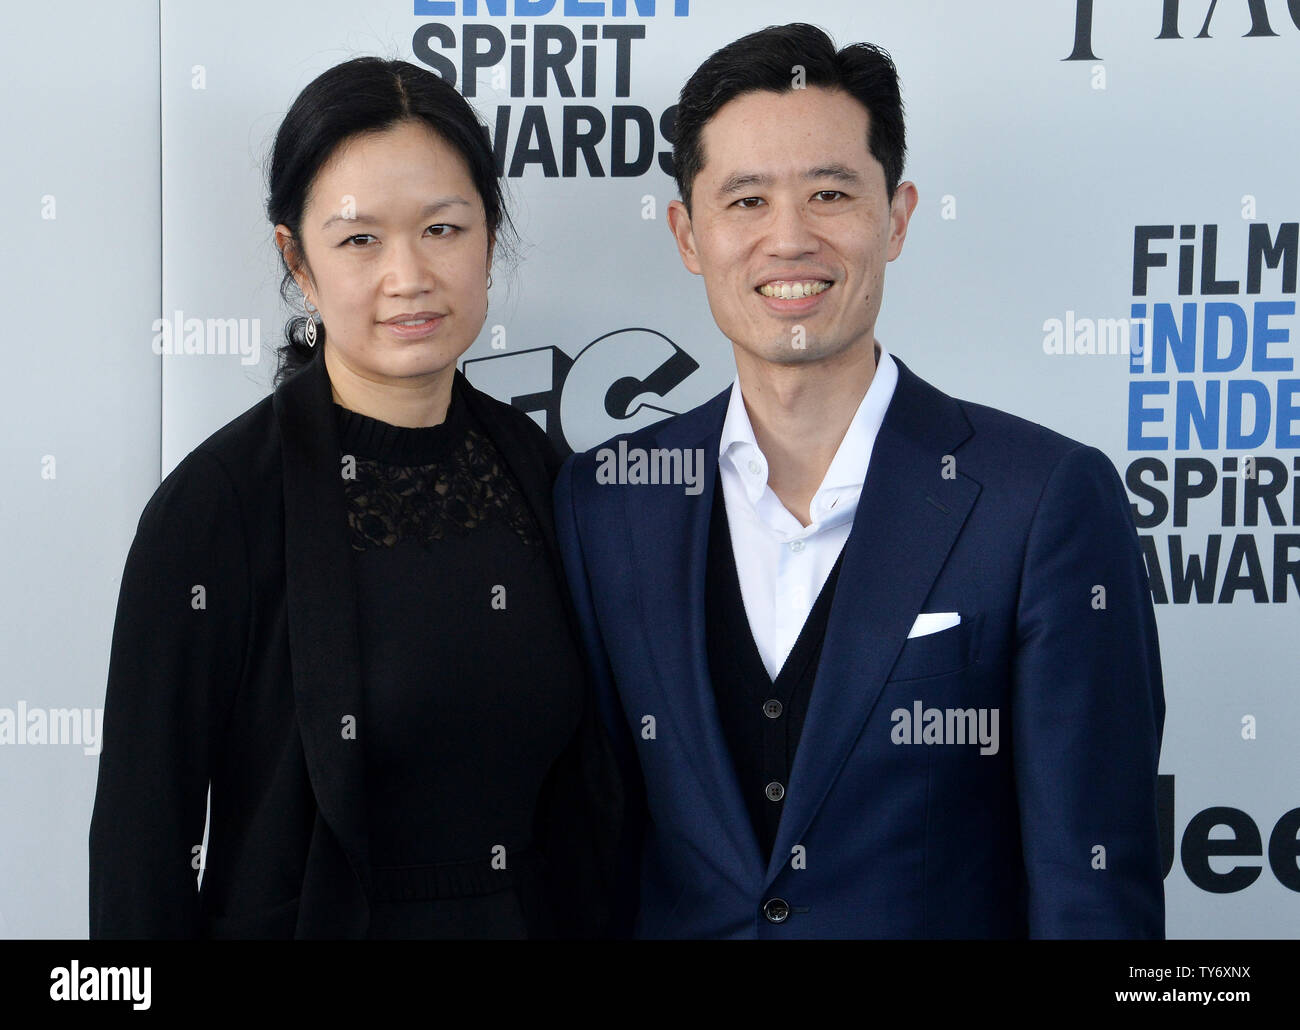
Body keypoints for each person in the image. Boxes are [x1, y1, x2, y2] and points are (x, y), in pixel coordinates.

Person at [553, 23, 1165, 938]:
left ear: (898, 216)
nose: (789, 239)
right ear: (688, 233)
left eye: (830, 193)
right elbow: (596, 850)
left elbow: (1094, 889)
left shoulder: (1043, 500)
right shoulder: (609, 501)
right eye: (746, 201)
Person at [89, 56, 619, 939]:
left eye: (443, 229)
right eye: (359, 239)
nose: (408, 275)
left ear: (490, 233)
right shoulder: (216, 510)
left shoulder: (539, 470)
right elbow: (141, 850)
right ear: (296, 259)